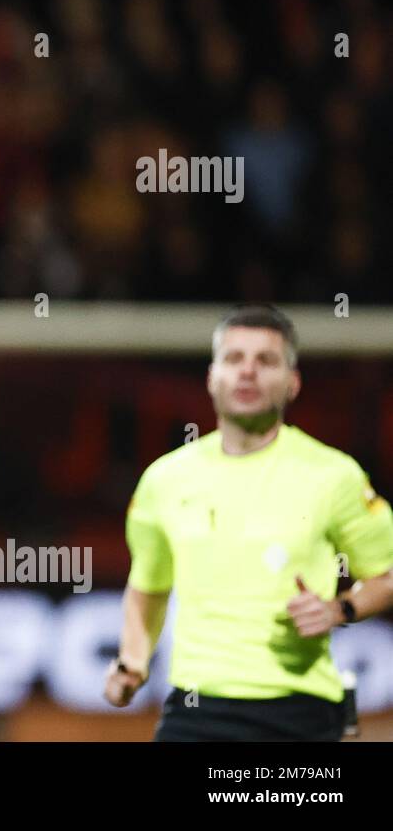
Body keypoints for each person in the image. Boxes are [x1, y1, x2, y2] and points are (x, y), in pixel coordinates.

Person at [104, 304, 393, 740]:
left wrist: (340, 608)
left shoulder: (334, 475)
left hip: (299, 709)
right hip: (196, 709)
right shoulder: (164, 479)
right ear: (211, 377)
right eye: (234, 358)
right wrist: (132, 662)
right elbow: (148, 586)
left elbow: (387, 574)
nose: (248, 372)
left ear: (293, 383)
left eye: (266, 361)